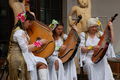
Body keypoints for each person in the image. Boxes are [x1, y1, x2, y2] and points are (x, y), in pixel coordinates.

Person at [7, 11, 49, 80]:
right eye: (30, 22)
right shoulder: (18, 32)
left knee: (42, 62)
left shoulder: (23, 31)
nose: (30, 24)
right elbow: (25, 49)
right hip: (18, 56)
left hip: (26, 54)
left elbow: (32, 14)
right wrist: (40, 42)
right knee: (34, 65)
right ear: (25, 21)